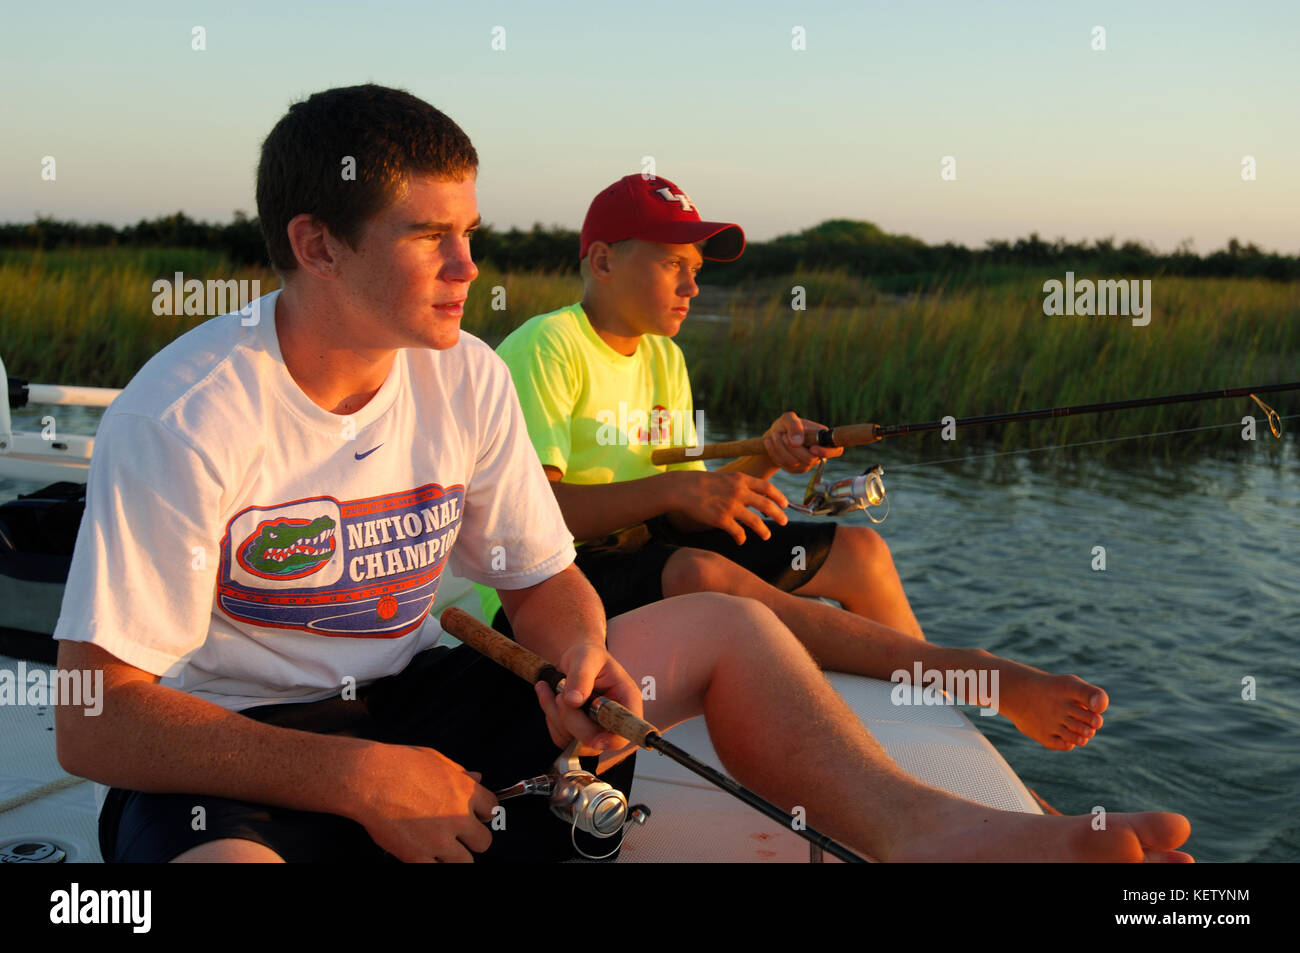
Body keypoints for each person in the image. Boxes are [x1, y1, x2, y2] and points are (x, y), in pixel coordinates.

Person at [54, 86, 1192, 863]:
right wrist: (362, 779)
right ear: (316, 245)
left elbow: (546, 582)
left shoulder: (462, 378)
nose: (468, 268)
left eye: (474, 231)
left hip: (417, 696)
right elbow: (92, 720)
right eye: (427, 235)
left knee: (729, 625)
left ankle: (931, 833)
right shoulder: (189, 413)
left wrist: (579, 650)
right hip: (233, 744)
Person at [495, 174, 1111, 752]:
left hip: (651, 551)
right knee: (703, 574)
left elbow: (684, 512)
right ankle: (972, 673)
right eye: (671, 264)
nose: (693, 287)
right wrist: (678, 492)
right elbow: (536, 519)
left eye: (697, 270)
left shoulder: (664, 359)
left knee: (861, 556)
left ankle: (940, 740)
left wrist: (766, 457)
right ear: (602, 261)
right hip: (561, 580)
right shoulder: (547, 347)